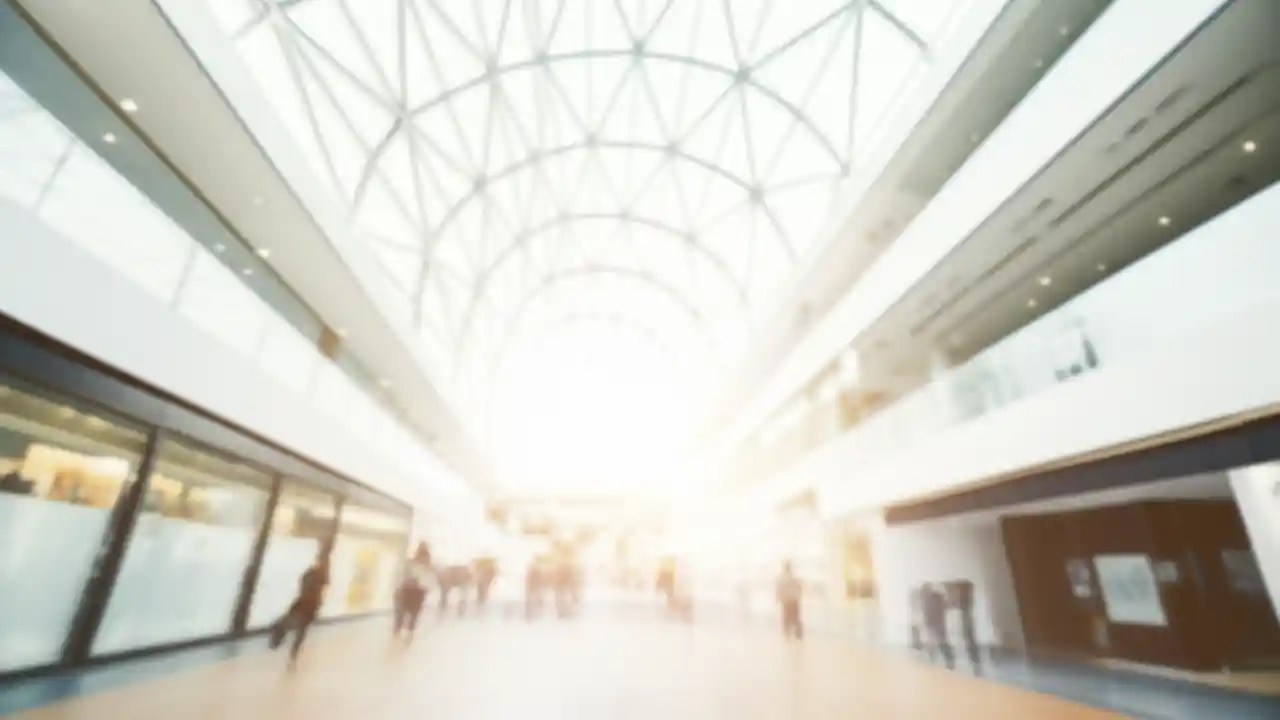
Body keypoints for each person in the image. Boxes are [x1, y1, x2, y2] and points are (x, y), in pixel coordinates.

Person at [270, 555, 329, 665]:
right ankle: (290, 650)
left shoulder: (313, 574)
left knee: (296, 627)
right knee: (299, 630)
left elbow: (305, 586)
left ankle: (282, 643)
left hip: (306, 604)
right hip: (308, 605)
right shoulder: (316, 575)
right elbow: (315, 589)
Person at [393, 562, 428, 641]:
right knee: (412, 619)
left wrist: (398, 604)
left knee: (401, 617)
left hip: (406, 605)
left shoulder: (405, 587)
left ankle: (398, 629)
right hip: (414, 607)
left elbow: (399, 596)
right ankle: (410, 630)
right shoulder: (420, 589)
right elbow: (422, 599)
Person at [921, 583, 953, 669]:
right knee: (935, 644)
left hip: (936, 624)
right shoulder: (930, 600)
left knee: (940, 643)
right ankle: (946, 661)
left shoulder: (934, 599)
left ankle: (948, 661)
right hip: (935, 624)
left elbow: (944, 607)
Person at [776, 562, 803, 639]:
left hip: (787, 601)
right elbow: (799, 587)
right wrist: (798, 596)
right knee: (796, 618)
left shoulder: (782, 578)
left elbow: (780, 589)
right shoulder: (794, 577)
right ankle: (797, 634)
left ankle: (788, 634)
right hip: (794, 600)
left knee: (787, 618)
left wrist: (779, 598)